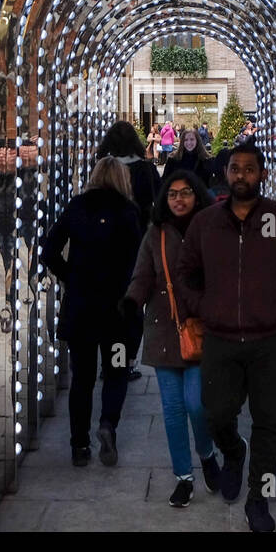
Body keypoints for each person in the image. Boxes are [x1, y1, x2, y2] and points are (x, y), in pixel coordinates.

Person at [174, 142, 276, 532]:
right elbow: (184, 271)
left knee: (267, 421)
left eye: (249, 169)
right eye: (235, 168)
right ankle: (234, 452)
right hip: (220, 338)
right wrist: (203, 307)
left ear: (262, 174)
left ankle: (259, 497)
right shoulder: (206, 223)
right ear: (226, 173)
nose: (241, 175)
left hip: (269, 339)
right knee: (215, 412)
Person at [122, 170, 223, 507]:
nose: (179, 199)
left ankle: (206, 453)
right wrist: (131, 302)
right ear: (165, 199)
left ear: (197, 195)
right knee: (173, 409)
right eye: (172, 194)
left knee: (196, 403)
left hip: (200, 329)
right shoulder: (156, 234)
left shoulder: (211, 230)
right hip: (164, 331)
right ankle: (183, 477)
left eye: (186, 192)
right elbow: (142, 276)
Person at [41, 157, 143, 466]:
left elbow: (49, 251)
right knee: (116, 372)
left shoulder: (77, 207)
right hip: (116, 311)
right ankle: (108, 424)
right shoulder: (128, 212)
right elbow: (137, 262)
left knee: (82, 378)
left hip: (82, 307)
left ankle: (79, 446)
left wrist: (70, 275)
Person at [96, 120, 162, 381]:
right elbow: (158, 199)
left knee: (110, 306)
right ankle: (126, 362)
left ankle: (112, 362)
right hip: (137, 242)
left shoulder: (103, 167)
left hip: (104, 245)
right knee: (132, 303)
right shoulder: (145, 169)